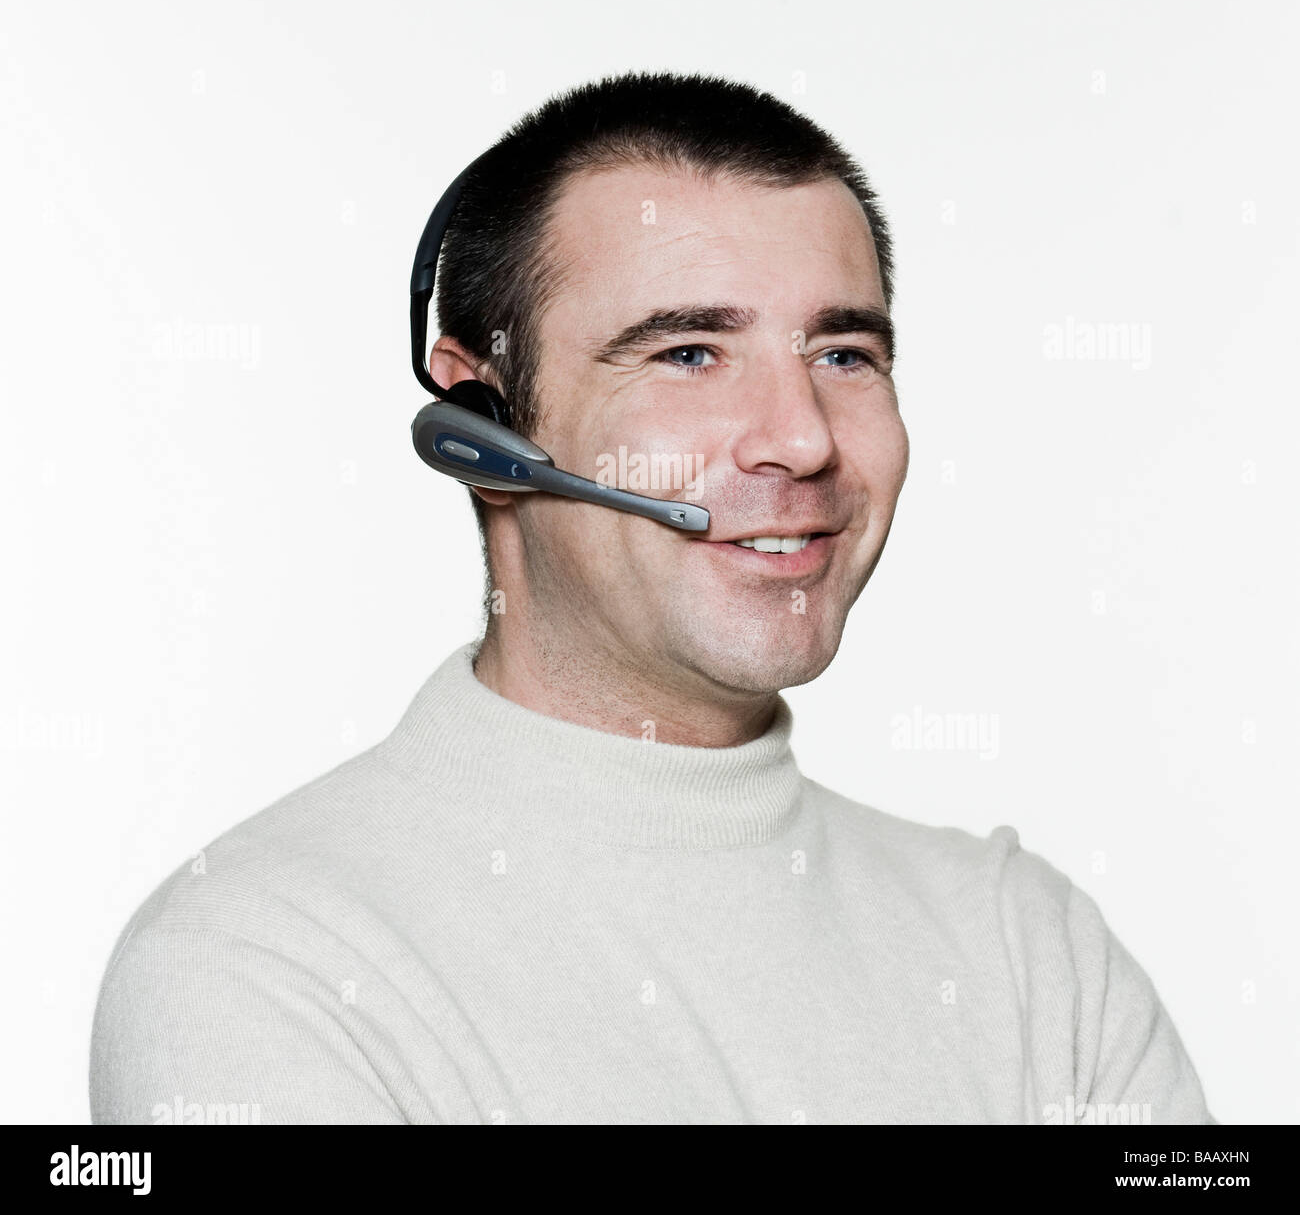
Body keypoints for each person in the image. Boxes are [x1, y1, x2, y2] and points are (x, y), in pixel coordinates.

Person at [90, 70, 1214, 1124]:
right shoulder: (260, 959)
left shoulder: (1031, 947)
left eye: (842, 354)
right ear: (482, 432)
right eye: (686, 353)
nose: (802, 438)